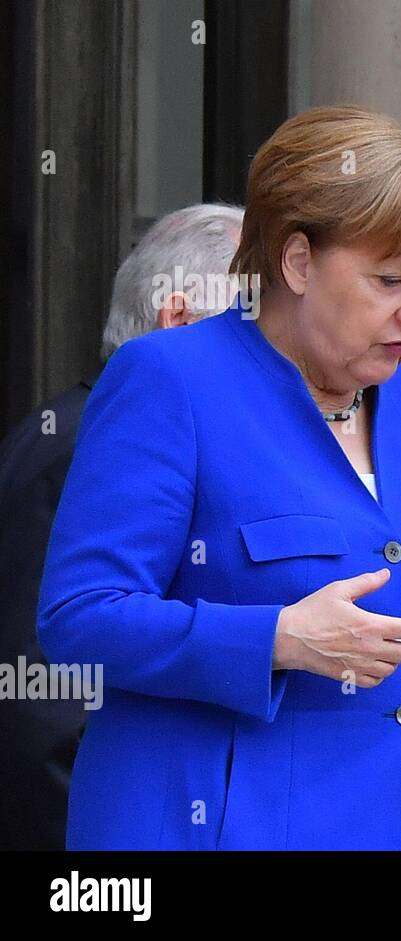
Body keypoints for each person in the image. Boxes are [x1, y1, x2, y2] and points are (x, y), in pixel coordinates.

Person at [37, 106, 401, 850]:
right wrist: (278, 638)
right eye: (390, 278)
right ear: (296, 262)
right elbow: (79, 621)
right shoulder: (170, 379)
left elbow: (385, 606)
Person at [0, 202, 244, 850]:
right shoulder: (80, 447)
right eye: (253, 327)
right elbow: (43, 707)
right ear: (178, 317)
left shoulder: (113, 434)